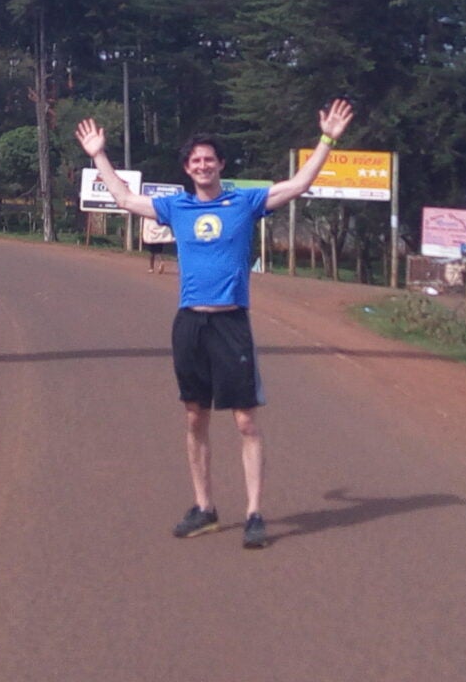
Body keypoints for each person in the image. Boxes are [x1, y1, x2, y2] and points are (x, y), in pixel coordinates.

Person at [77, 98, 354, 552]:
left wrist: (326, 140)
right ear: (187, 168)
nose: (202, 164)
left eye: (209, 158)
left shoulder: (245, 202)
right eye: (195, 160)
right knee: (194, 416)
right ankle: (204, 507)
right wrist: (99, 155)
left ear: (221, 164)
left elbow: (299, 184)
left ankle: (254, 514)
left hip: (231, 325)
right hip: (190, 324)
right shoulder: (176, 208)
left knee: (245, 421)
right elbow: (126, 199)